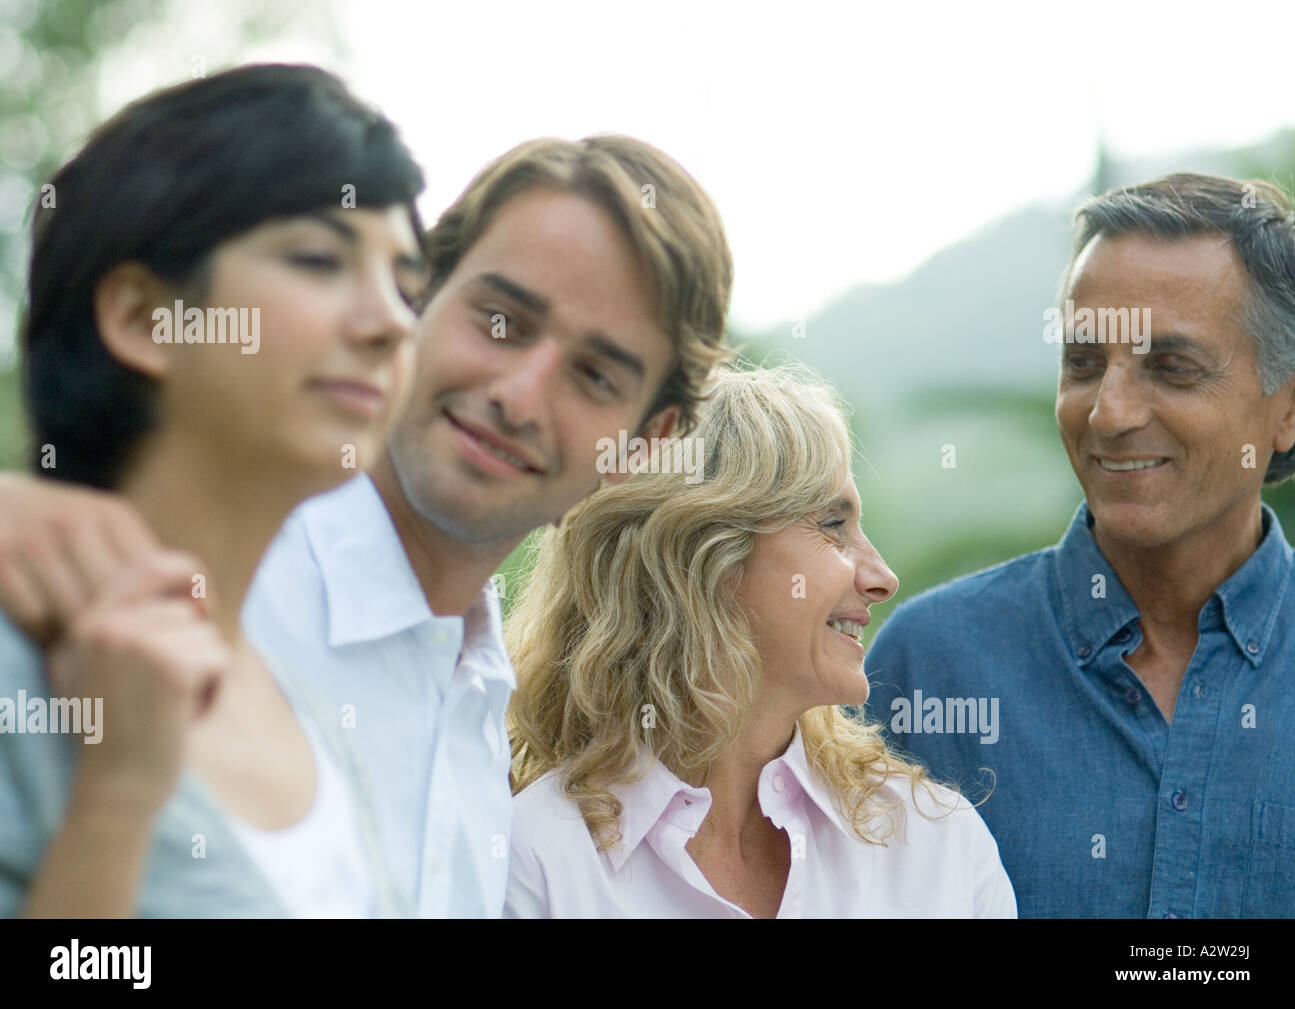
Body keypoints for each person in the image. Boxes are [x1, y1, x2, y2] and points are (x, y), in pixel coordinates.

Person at [0, 133, 734, 916]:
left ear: (644, 444)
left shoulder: (484, 727)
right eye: (500, 321)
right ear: (414, 298)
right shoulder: (136, 582)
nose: (519, 396)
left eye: (594, 374)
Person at [1, 63, 429, 916]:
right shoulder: (19, 667)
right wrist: (119, 794)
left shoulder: (304, 709)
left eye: (409, 286)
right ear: (142, 317)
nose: (391, 322)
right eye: (318, 259)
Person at [864, 173, 1295, 918]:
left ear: (1288, 408)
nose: (1110, 411)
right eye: (1084, 361)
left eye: (1171, 366)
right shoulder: (929, 669)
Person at [504, 364, 1017, 918]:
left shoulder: (940, 848)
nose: (882, 577)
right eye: (831, 523)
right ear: (703, 557)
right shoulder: (532, 859)